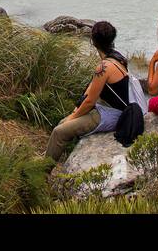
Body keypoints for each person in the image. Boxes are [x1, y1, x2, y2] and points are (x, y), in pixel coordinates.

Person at [45, 21, 143, 162]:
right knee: (63, 122)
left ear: (93, 41)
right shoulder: (119, 58)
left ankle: (44, 170)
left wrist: (72, 117)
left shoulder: (104, 67)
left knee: (59, 131)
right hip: (117, 110)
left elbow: (90, 101)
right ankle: (58, 158)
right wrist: (75, 112)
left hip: (113, 115)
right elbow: (90, 92)